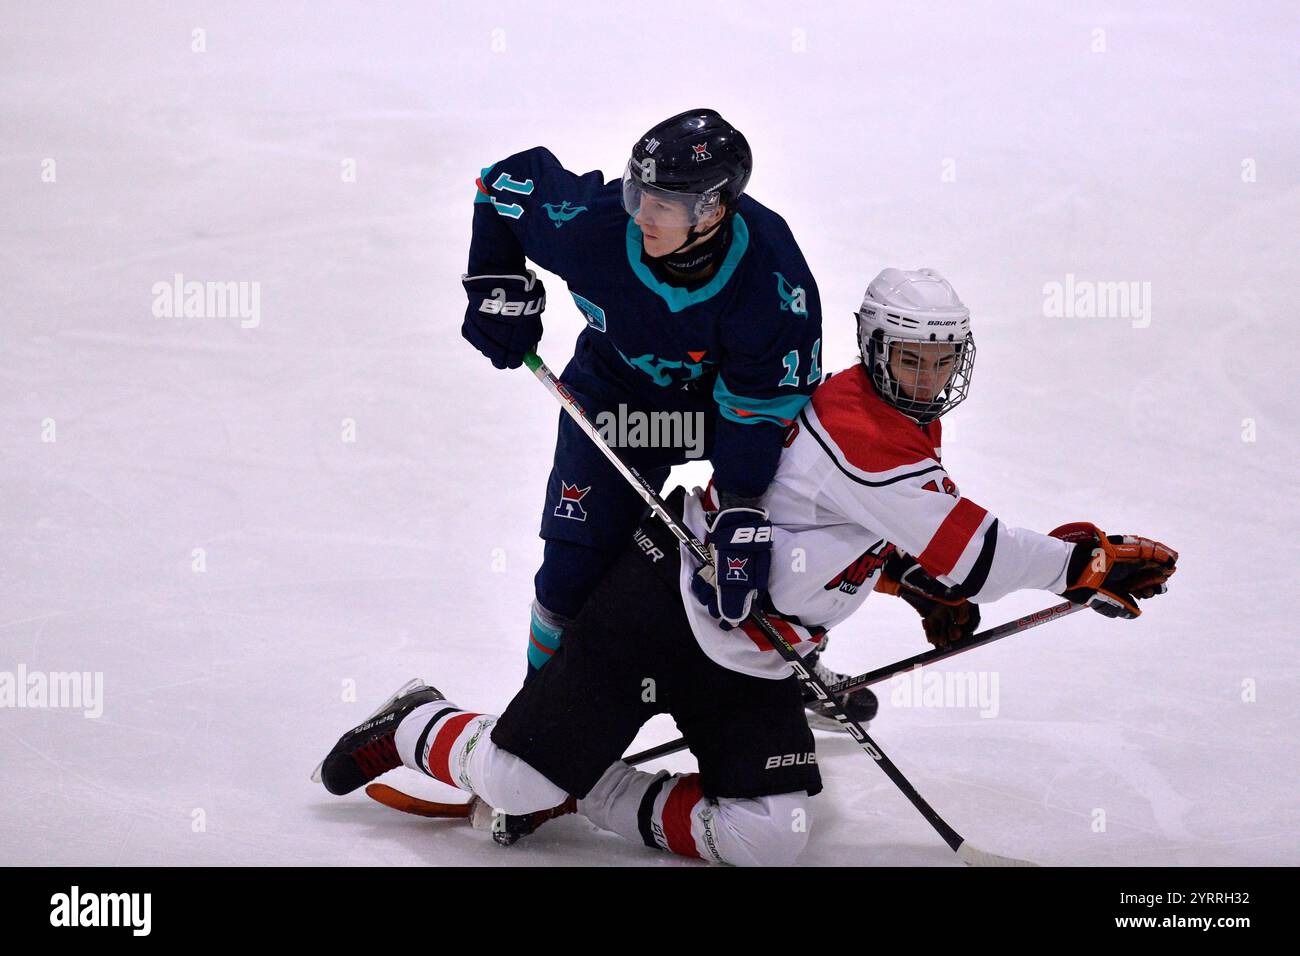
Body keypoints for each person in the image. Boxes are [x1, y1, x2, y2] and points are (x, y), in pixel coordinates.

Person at [321, 267, 1178, 865]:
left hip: (756, 653)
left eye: (942, 360)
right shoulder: (861, 424)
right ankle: (418, 722)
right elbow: (977, 548)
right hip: (665, 604)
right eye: (911, 358)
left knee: (768, 840)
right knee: (509, 778)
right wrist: (1083, 564)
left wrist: (908, 578)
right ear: (873, 348)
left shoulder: (898, 428)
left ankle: (585, 788)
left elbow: (830, 530)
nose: (926, 377)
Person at [461, 108, 839, 703]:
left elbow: (760, 410)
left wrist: (740, 511)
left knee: (779, 543)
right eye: (637, 192)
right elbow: (503, 184)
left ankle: (780, 671)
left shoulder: (773, 280)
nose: (639, 213)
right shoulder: (591, 227)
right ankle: (537, 717)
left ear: (712, 209)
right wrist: (493, 283)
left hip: (722, 418)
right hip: (620, 404)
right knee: (570, 573)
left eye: (661, 204)